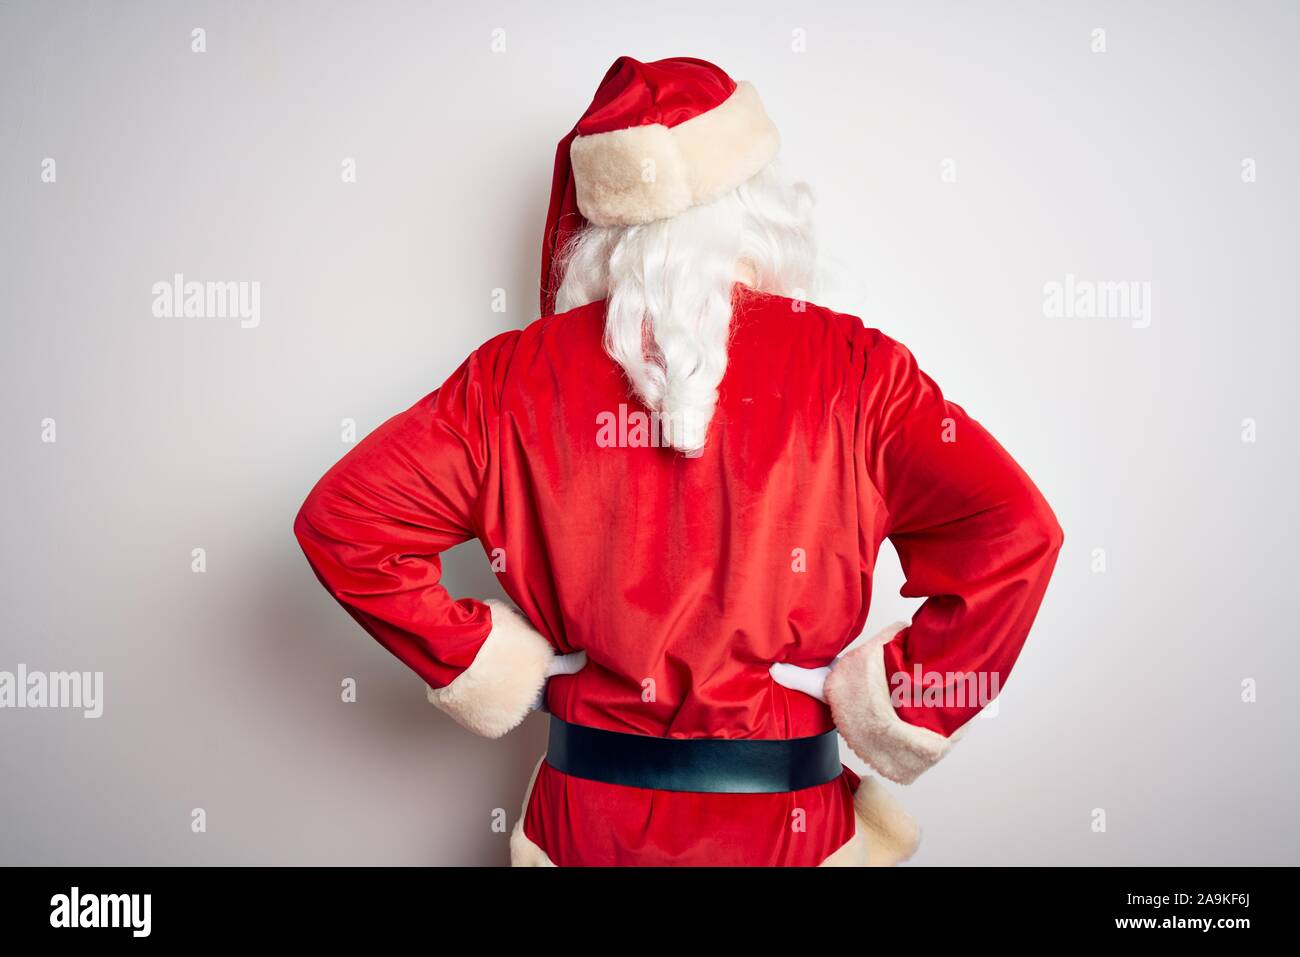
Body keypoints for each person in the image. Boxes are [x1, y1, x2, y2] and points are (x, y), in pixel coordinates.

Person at [293, 55, 1063, 866]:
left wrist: (487, 658)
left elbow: (344, 525)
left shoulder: (510, 379)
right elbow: (1018, 534)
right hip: (787, 828)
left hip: (587, 823)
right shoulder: (856, 368)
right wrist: (901, 695)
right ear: (761, 204)